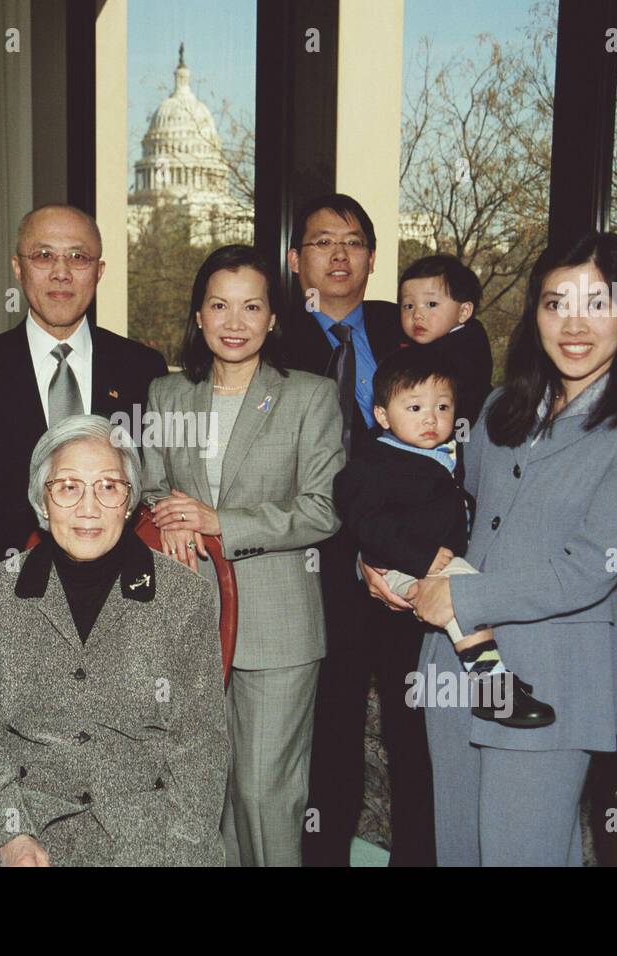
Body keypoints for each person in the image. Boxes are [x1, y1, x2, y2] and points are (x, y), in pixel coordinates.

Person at [370, 231, 617, 865]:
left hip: (552, 682)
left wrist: (456, 593)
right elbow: (445, 519)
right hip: (454, 671)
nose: (574, 325)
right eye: (554, 303)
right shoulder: (496, 413)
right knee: (458, 851)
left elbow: (586, 571)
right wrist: (378, 564)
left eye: (596, 303)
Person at [0, 415, 228, 866]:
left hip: (147, 833)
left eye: (108, 487)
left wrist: (177, 853)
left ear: (130, 501)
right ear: (44, 499)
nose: (88, 507)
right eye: (68, 487)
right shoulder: (0, 591)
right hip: (31, 826)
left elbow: (201, 746)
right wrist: (11, 832)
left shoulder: (183, 597)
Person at [141, 244, 344, 867]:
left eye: (251, 306)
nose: (235, 321)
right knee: (205, 793)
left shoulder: (310, 396)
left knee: (265, 795)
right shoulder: (168, 394)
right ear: (198, 316)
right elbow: (147, 487)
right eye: (219, 305)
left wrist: (216, 523)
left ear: (273, 318)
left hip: (276, 629)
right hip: (188, 621)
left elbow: (321, 510)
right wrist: (167, 519)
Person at [280, 194, 436, 866]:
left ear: (373, 257)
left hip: (413, 567)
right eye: (322, 242)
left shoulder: (407, 328)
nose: (339, 255)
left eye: (353, 242)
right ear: (296, 261)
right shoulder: (270, 337)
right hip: (317, 572)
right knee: (331, 734)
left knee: (419, 731)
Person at [0, 205, 167, 658]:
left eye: (78, 258)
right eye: (44, 256)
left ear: (99, 270)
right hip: (6, 609)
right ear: (17, 267)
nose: (61, 273)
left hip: (124, 610)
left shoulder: (143, 370)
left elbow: (154, 488)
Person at [332, 346, 555, 728]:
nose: (431, 419)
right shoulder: (372, 465)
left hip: (432, 568)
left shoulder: (447, 456)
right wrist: (419, 555)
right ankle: (493, 689)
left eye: (443, 408)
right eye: (415, 408)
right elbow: (367, 523)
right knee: (463, 590)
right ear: (382, 415)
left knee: (465, 589)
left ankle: (493, 682)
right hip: (399, 570)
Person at [396, 253, 494, 436]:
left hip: (461, 437)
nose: (417, 314)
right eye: (408, 306)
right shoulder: (426, 346)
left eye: (431, 304)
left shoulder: (464, 354)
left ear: (463, 312)